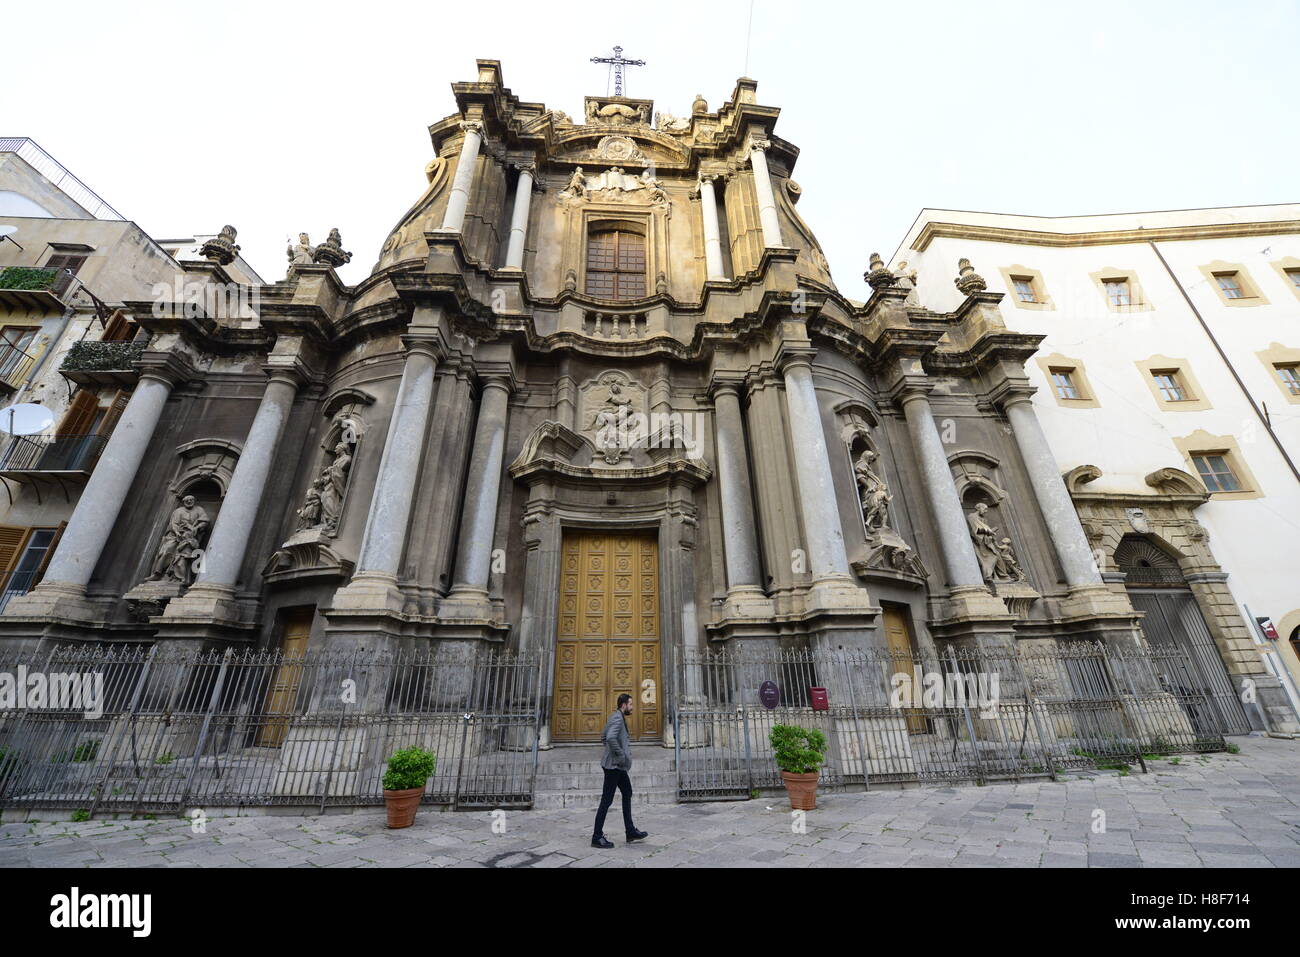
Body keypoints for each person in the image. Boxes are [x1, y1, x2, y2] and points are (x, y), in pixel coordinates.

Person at [592, 693, 648, 849]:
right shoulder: (617, 718)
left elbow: (603, 737)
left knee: (627, 791)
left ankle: (630, 831)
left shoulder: (614, 716)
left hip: (618, 766)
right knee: (606, 801)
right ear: (623, 705)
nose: (632, 707)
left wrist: (613, 753)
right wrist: (620, 755)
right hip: (614, 766)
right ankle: (596, 836)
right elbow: (609, 738)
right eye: (630, 704)